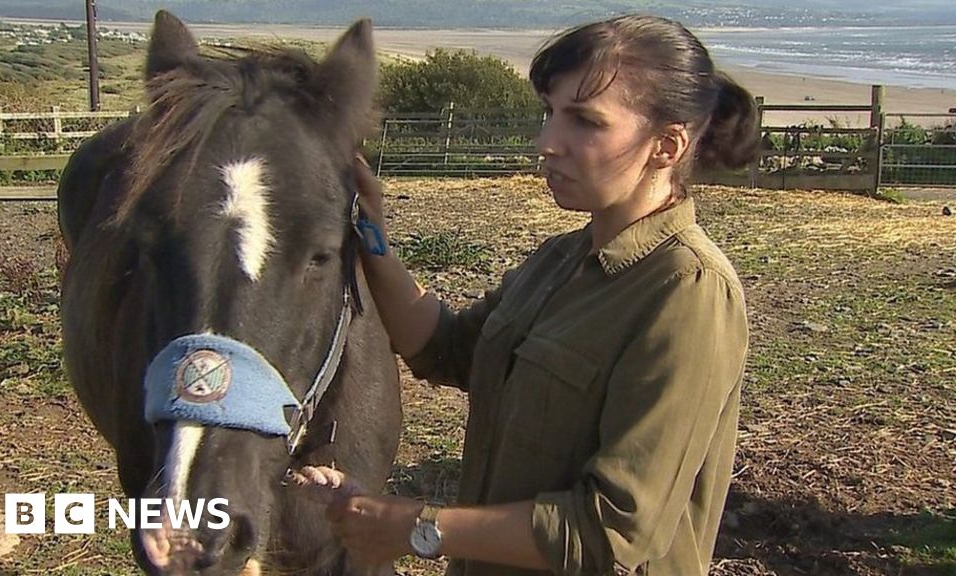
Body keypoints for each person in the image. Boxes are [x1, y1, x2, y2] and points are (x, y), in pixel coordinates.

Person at [294, 13, 757, 576]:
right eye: (549, 113)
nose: (546, 143)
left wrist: (415, 526)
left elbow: (612, 530)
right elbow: (444, 346)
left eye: (584, 122)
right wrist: (370, 233)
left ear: (666, 144)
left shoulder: (686, 289)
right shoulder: (561, 259)